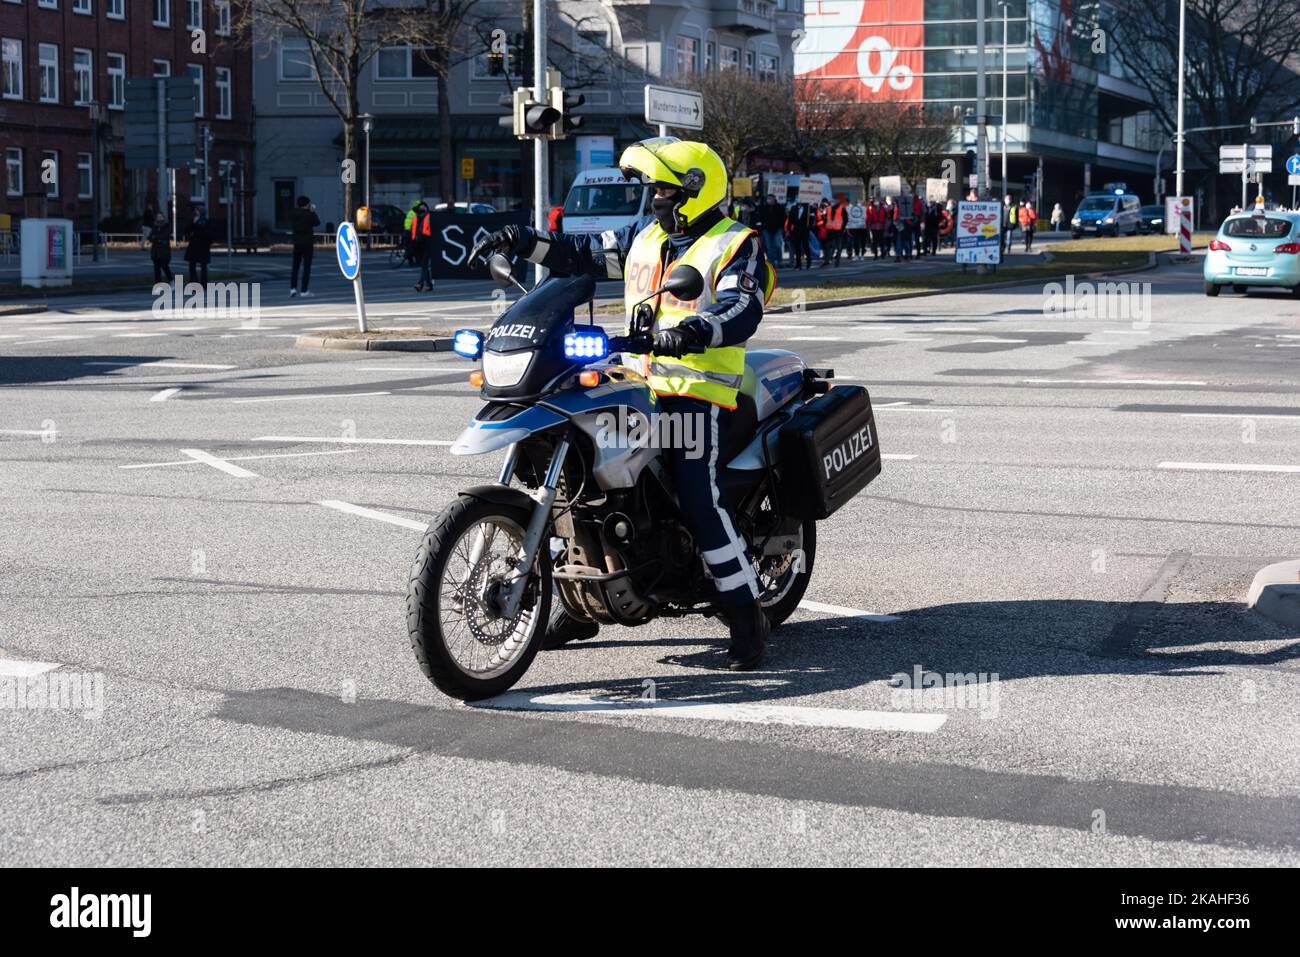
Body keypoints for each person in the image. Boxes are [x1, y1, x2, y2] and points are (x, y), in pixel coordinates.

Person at [468, 136, 776, 671]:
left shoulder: (735, 241)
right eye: (653, 190)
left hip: (696, 390)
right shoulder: (647, 237)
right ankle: (574, 597)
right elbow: (579, 254)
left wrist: (697, 329)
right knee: (578, 466)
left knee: (695, 493)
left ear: (694, 191)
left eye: (662, 189)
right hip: (635, 378)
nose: (654, 199)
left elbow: (743, 305)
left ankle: (747, 615)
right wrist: (522, 238)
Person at [289, 195, 320, 298]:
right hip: (307, 243)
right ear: (307, 204)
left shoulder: (293, 213)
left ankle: (293, 288)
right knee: (306, 267)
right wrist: (312, 211)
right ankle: (304, 290)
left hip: (296, 243)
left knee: (295, 267)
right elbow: (317, 222)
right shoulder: (308, 214)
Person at [183, 204, 213, 287]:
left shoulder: (205, 222)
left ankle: (202, 283)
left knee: (202, 266)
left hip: (201, 246)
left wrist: (194, 229)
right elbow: (187, 231)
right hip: (195, 246)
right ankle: (194, 283)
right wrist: (193, 224)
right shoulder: (193, 220)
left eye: (197, 211)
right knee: (192, 266)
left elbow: (208, 235)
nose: (195, 212)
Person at [410, 200, 435, 292]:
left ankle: (420, 284)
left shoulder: (429, 217)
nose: (421, 210)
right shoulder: (415, 218)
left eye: (423, 208)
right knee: (423, 265)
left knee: (424, 264)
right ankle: (429, 284)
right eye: (420, 209)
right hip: (418, 244)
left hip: (428, 242)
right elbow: (412, 231)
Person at [760, 194, 786, 266]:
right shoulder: (764, 208)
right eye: (768, 199)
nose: (769, 200)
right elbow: (761, 217)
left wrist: (781, 227)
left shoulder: (779, 207)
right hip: (767, 229)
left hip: (777, 229)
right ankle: (771, 263)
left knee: (778, 245)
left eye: (771, 199)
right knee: (769, 246)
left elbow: (783, 218)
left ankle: (779, 261)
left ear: (774, 199)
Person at [785, 200, 812, 269]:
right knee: (797, 247)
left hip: (805, 230)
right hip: (796, 230)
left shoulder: (808, 207)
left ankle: (809, 261)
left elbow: (812, 218)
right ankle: (798, 263)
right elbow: (790, 219)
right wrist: (788, 229)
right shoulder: (793, 208)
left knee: (805, 246)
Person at [149, 212, 173, 282]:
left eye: (161, 216)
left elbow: (165, 236)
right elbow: (150, 237)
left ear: (163, 217)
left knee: (165, 267)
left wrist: (156, 238)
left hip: (164, 251)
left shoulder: (167, 226)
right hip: (155, 251)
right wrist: (156, 239)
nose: (159, 218)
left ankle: (171, 281)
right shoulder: (155, 226)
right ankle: (158, 285)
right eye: (158, 217)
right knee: (156, 270)